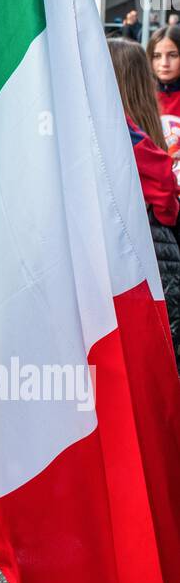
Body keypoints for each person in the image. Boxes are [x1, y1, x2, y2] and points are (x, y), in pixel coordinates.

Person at [107, 37, 180, 371]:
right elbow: (166, 190)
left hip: (140, 254)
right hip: (153, 248)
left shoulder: (116, 129)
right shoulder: (136, 133)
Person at [147, 24, 180, 185]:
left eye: (173, 55)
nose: (164, 63)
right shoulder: (142, 96)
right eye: (157, 56)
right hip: (155, 185)